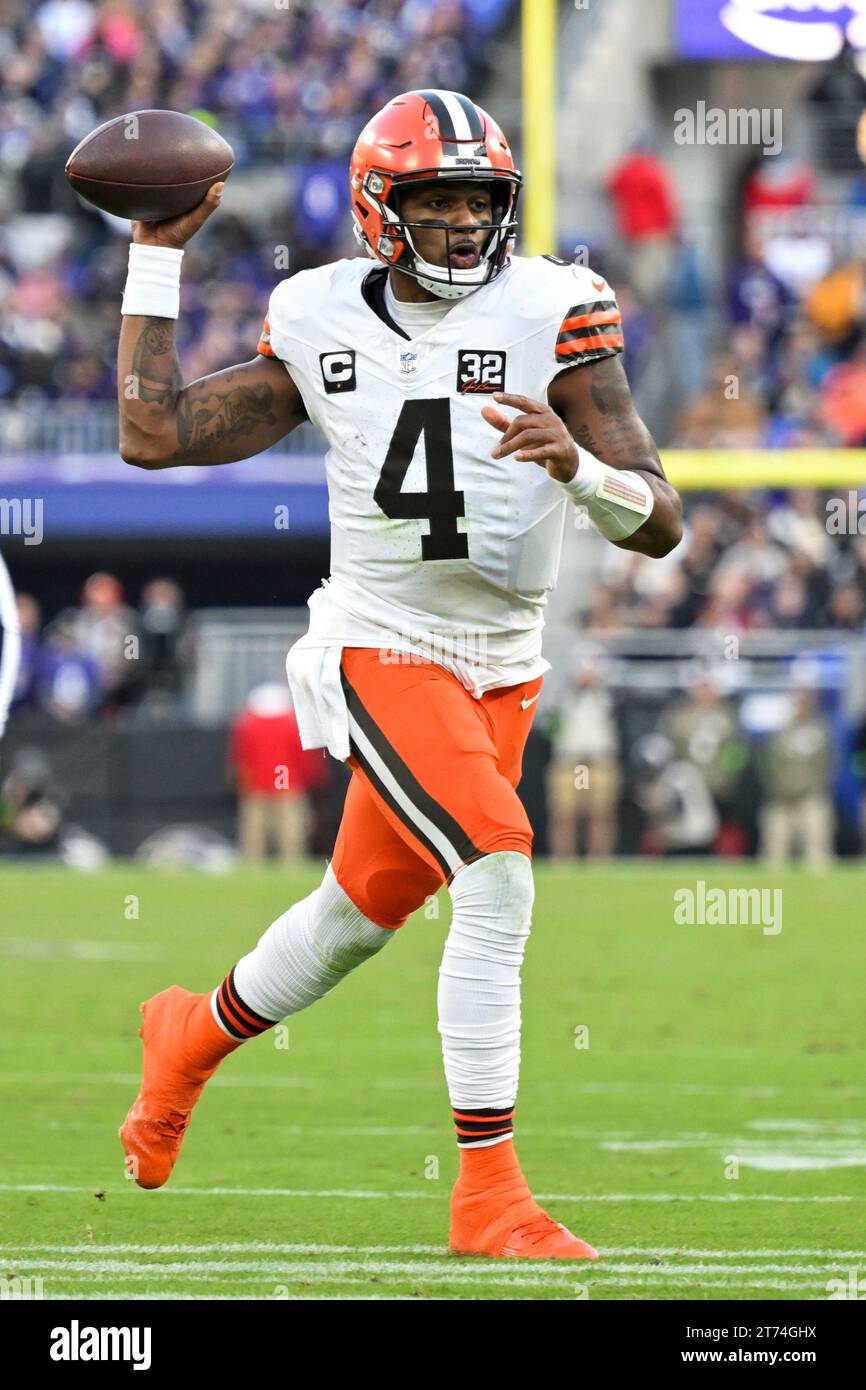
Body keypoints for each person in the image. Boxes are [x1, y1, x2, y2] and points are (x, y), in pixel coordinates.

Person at [116, 89, 682, 1261]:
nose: (466, 222)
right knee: (496, 864)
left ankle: (186, 1041)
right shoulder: (317, 314)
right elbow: (153, 434)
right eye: (437, 200)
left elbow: (660, 524)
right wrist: (154, 263)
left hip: (504, 664)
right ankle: (488, 1194)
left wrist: (577, 467)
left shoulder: (558, 308)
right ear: (383, 209)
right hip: (382, 639)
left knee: (356, 915)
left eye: (481, 198)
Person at [229, 682, 326, 862]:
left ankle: (252, 864)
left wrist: (241, 782)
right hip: (288, 783)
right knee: (291, 831)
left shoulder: (247, 724)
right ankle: (292, 862)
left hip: (256, 785)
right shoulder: (292, 723)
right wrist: (310, 779)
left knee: (254, 831)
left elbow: (240, 757)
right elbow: (305, 757)